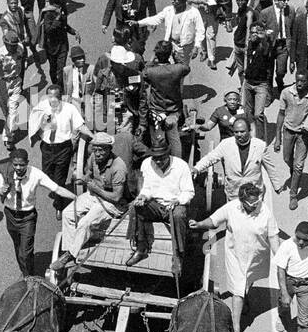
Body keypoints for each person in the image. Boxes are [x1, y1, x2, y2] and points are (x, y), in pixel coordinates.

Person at [191, 182, 280, 332]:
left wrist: (281, 257)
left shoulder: (265, 211)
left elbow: (274, 236)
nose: (256, 205)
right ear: (241, 201)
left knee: (247, 283)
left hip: (256, 257)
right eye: (251, 203)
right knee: (238, 289)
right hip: (235, 256)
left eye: (257, 201)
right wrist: (200, 224)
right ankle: (237, 328)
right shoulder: (231, 208)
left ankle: (245, 297)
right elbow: (214, 220)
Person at [52, 133, 128, 272]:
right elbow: (90, 174)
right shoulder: (93, 157)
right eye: (95, 149)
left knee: (84, 223)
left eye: (102, 150)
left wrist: (96, 189)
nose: (98, 153)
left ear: (109, 149)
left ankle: (69, 256)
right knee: (67, 213)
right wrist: (83, 179)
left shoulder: (119, 167)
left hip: (111, 204)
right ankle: (69, 251)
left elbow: (117, 197)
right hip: (93, 195)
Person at [0, 149, 75, 277]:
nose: (18, 168)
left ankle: (29, 277)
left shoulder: (36, 174)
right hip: (10, 215)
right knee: (18, 247)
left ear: (27, 162)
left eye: (22, 165)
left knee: (25, 252)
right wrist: (1, 190)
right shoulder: (6, 171)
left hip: (28, 217)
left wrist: (76, 198)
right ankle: (26, 272)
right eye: (15, 164)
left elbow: (57, 188)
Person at [126, 140, 195, 273]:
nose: (158, 162)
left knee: (179, 215)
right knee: (135, 207)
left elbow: (189, 191)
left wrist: (177, 200)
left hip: (175, 205)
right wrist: (143, 196)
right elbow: (147, 188)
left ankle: (178, 257)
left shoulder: (181, 166)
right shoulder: (146, 164)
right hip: (156, 205)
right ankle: (141, 248)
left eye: (161, 159)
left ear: (168, 155)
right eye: (155, 158)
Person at [28, 84, 91, 208]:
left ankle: (59, 204)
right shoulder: (41, 108)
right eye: (50, 96)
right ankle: (55, 188)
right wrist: (44, 122)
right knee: (47, 174)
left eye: (56, 96)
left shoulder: (70, 109)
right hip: (47, 148)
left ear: (60, 96)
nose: (53, 99)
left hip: (63, 148)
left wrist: (93, 137)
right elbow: (34, 125)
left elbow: (80, 126)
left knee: (60, 178)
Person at [195, 113, 283, 200]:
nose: (239, 134)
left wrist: (277, 186)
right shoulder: (226, 144)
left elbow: (270, 167)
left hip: (254, 194)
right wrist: (197, 168)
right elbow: (210, 158)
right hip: (234, 193)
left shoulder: (260, 146)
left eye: (242, 131)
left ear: (249, 130)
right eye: (236, 132)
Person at [274, 70, 308, 210]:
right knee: (287, 158)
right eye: (297, 81)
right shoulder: (286, 93)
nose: (299, 84)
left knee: (299, 166)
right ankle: (292, 170)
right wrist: (278, 138)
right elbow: (281, 114)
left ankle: (293, 195)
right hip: (288, 131)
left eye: (303, 81)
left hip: (303, 135)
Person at [140, 41, 189, 158]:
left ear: (157, 54)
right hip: (174, 110)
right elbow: (186, 67)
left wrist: (152, 60)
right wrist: (177, 58)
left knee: (158, 140)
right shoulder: (177, 69)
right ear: (170, 54)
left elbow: (144, 73)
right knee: (174, 139)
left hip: (156, 110)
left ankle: (158, 158)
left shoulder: (151, 71)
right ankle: (178, 161)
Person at [138, 0, 204, 66]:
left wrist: (196, 46)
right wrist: (138, 23)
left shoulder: (193, 12)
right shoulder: (168, 10)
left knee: (181, 69)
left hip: (184, 48)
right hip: (169, 45)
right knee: (168, 69)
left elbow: (200, 30)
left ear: (183, 1)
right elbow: (156, 19)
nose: (173, 1)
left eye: (176, 0)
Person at [239, 19, 273, 141]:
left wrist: (264, 37)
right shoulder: (249, 45)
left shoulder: (264, 46)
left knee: (258, 114)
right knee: (247, 112)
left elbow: (267, 48)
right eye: (252, 32)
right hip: (248, 83)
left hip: (261, 85)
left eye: (256, 33)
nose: (253, 35)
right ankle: (249, 134)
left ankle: (260, 139)